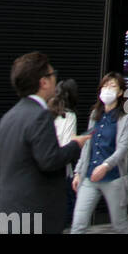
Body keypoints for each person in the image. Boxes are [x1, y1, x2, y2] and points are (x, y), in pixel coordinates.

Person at [0, 52, 91, 234]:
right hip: (35, 212)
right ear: (44, 82)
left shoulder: (9, 117)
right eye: (52, 74)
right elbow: (49, 160)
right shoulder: (40, 116)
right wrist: (75, 145)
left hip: (9, 210)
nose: (55, 78)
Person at [70, 72, 128, 233]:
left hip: (114, 177)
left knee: (119, 224)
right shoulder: (95, 115)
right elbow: (87, 147)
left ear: (120, 92)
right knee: (78, 224)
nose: (107, 90)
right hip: (90, 176)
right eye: (105, 86)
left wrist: (106, 166)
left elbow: (122, 149)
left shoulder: (125, 118)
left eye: (112, 86)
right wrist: (78, 171)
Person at [49, 77, 78, 227]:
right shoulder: (69, 115)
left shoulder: (48, 113)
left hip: (47, 166)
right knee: (69, 207)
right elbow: (68, 143)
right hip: (62, 169)